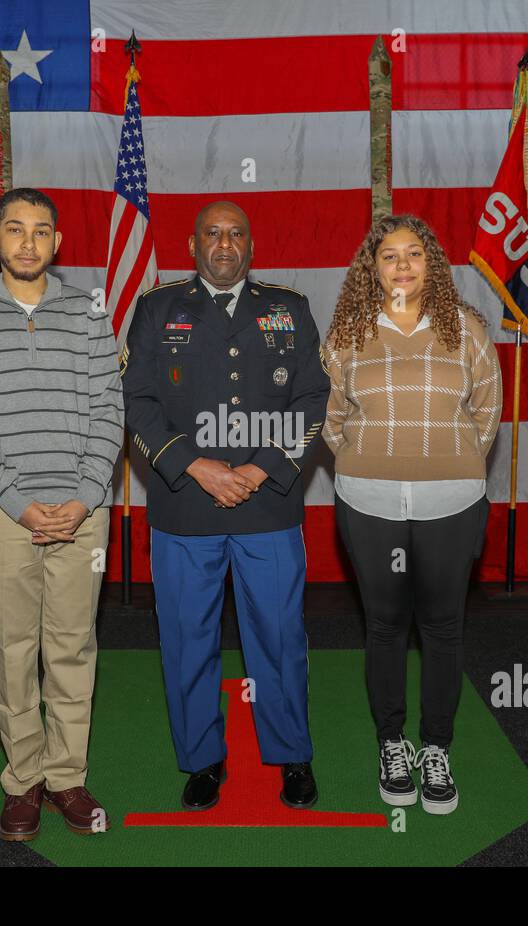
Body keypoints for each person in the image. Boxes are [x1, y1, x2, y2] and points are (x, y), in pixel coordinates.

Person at [120, 200, 330, 811]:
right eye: (212, 234)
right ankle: (203, 760)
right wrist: (194, 464)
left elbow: (313, 400)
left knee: (281, 635)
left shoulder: (288, 308)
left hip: (267, 506)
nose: (224, 244)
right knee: (188, 637)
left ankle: (292, 754)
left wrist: (262, 468)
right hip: (186, 506)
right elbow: (136, 399)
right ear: (193, 245)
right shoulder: (158, 309)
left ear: (251, 246)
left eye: (236, 233)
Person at [0, 187, 124, 840]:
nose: (27, 242)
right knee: (14, 651)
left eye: (40, 231)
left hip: (83, 512)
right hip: (3, 512)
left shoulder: (89, 313)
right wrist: (20, 506)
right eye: (14, 229)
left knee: (72, 648)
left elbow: (110, 411)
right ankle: (24, 781)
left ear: (58, 243)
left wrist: (80, 498)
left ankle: (67, 779)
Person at [321, 214, 502, 815]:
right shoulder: (347, 330)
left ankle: (438, 748)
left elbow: (486, 413)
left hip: (450, 499)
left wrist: (441, 464)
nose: (402, 265)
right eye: (389, 255)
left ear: (433, 266)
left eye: (414, 254)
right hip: (367, 498)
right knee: (384, 624)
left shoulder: (468, 329)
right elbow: (333, 419)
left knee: (444, 626)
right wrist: (372, 459)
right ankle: (392, 743)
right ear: (371, 267)